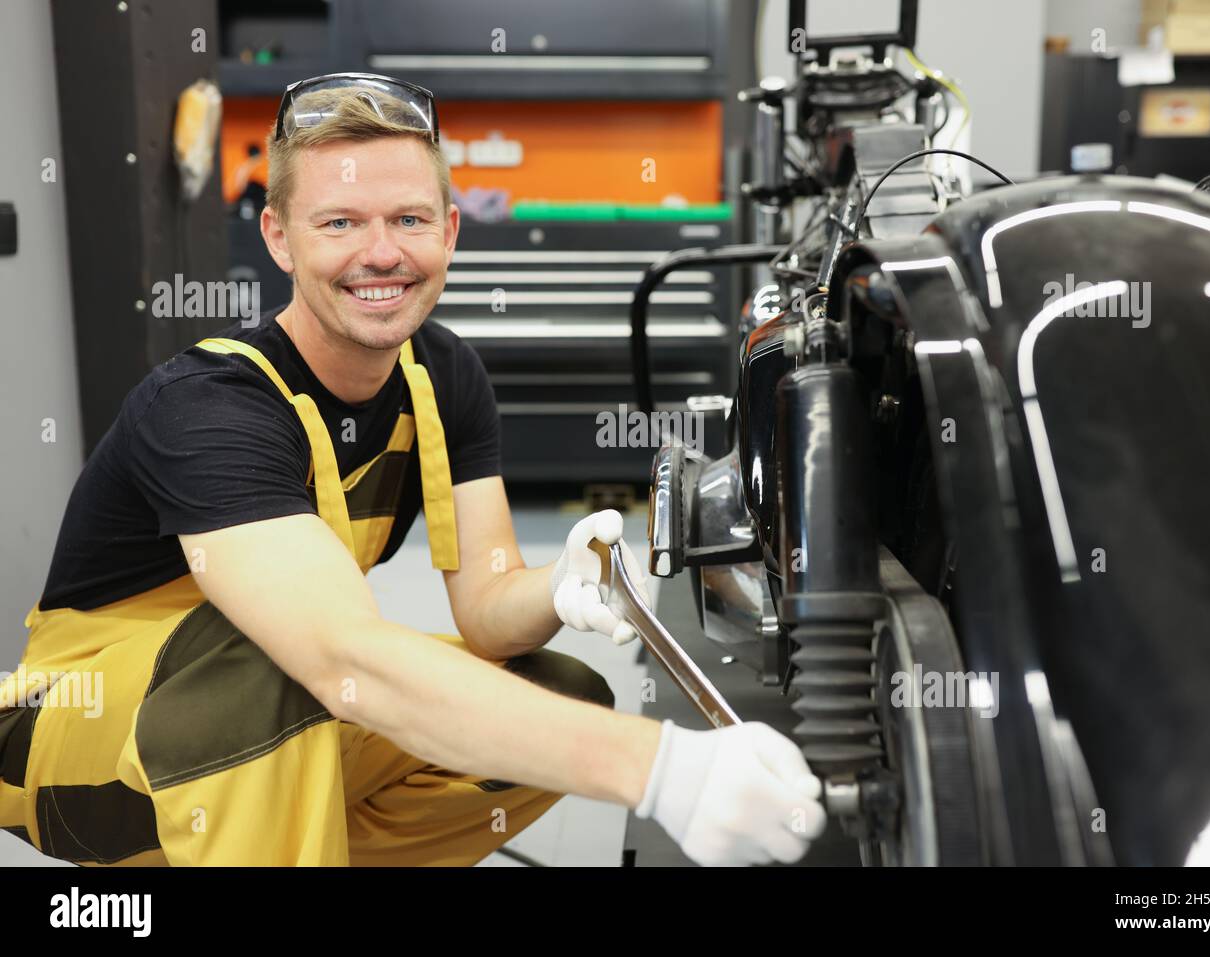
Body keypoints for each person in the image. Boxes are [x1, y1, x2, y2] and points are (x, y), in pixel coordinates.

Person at [0, 73, 825, 867]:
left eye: (408, 218)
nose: (382, 254)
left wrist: (558, 585)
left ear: (451, 232)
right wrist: (665, 771)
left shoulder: (443, 373)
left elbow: (487, 614)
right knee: (277, 668)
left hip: (262, 722)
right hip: (77, 742)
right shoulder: (208, 405)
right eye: (340, 224)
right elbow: (343, 660)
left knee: (558, 692)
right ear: (279, 238)